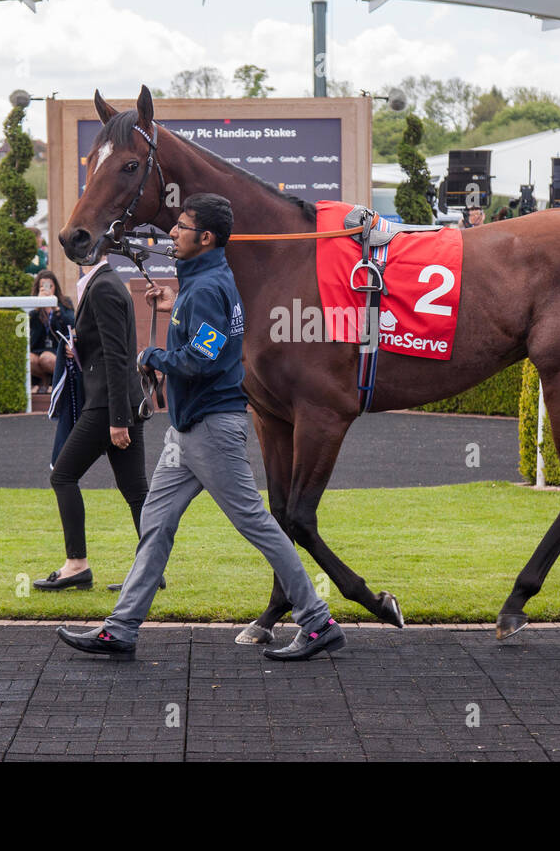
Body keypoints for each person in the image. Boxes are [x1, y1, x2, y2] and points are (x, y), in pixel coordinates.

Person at [56, 193, 344, 662]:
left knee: (256, 523)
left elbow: (204, 358)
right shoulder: (205, 281)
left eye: (181, 226)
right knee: (155, 520)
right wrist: (176, 303)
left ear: (205, 237)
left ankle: (317, 620)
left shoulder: (207, 287)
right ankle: (122, 628)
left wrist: (153, 357)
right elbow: (212, 334)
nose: (172, 232)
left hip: (211, 429)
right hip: (188, 432)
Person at [37, 257, 151, 594]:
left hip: (108, 406)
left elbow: (118, 358)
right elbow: (109, 351)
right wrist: (79, 350)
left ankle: (76, 565)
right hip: (120, 402)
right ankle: (150, 568)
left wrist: (118, 421)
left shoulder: (102, 287)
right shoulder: (106, 283)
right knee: (135, 491)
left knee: (63, 475)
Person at [28, 269, 74, 392]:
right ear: (38, 287)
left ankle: (60, 381)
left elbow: (71, 323)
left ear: (55, 287)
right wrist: (38, 307)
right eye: (42, 286)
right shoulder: (33, 304)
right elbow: (27, 324)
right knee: (27, 359)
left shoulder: (64, 302)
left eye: (49, 286)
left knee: (46, 358)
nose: (46, 289)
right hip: (37, 348)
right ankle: (45, 379)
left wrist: (55, 309)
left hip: (56, 348)